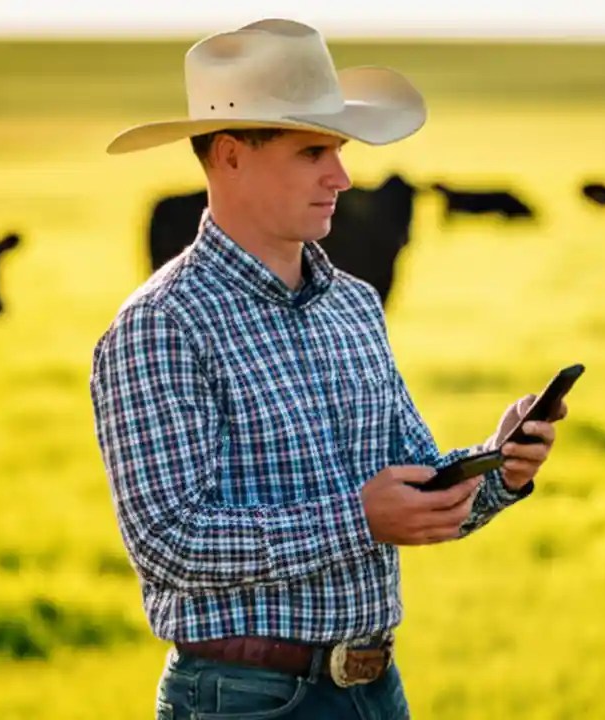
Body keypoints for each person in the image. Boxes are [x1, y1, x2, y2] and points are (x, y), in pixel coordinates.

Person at [89, 18, 567, 720]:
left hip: (376, 691)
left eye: (338, 152)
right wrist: (358, 519)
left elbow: (410, 486)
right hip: (243, 701)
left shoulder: (354, 304)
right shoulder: (160, 325)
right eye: (313, 151)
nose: (342, 177)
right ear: (229, 156)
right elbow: (170, 544)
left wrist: (500, 469)